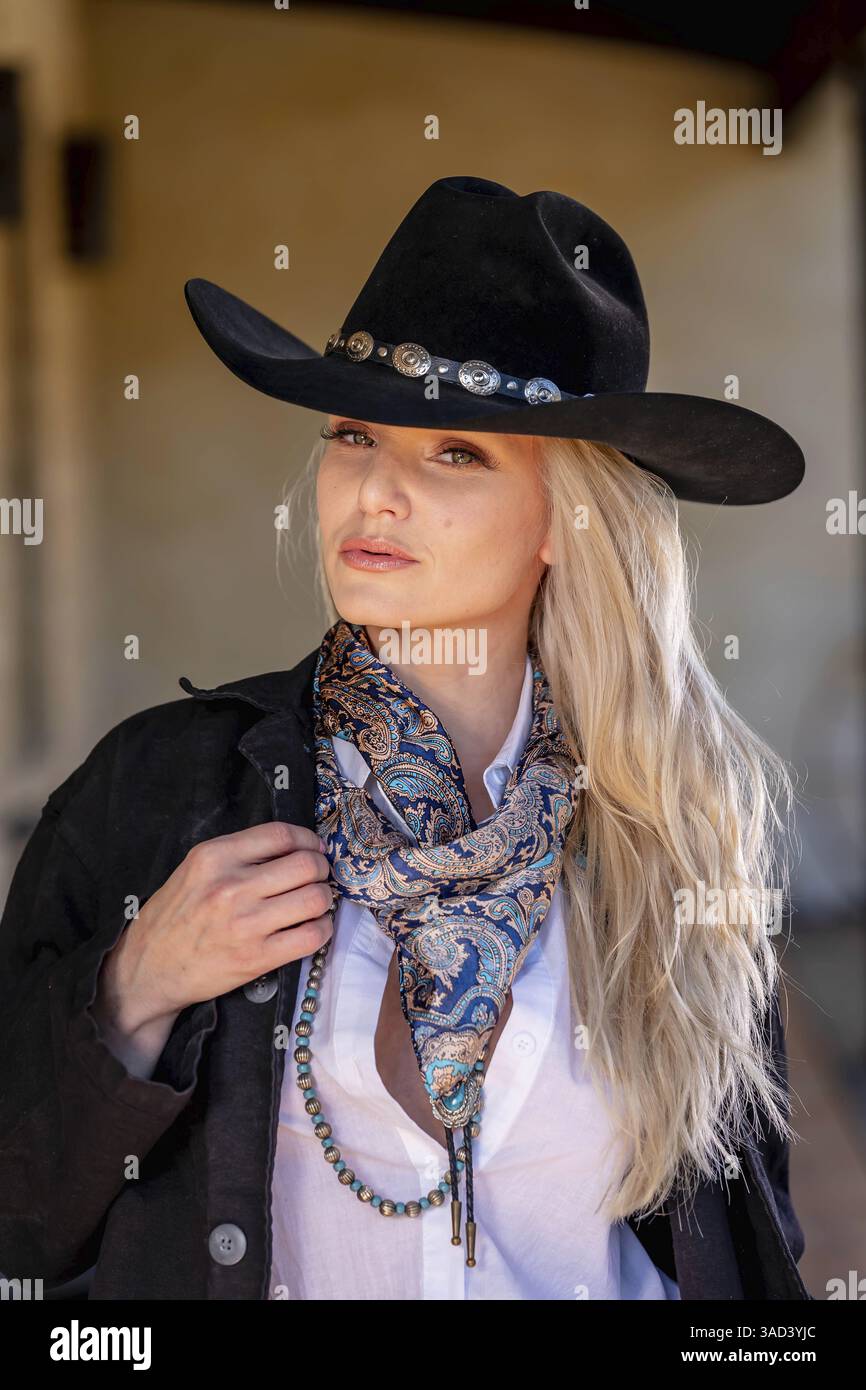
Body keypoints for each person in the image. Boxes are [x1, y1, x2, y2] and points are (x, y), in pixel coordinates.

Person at [0, 175, 810, 1300]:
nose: (373, 490)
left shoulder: (673, 829)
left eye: (454, 455)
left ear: (568, 524)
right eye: (353, 434)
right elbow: (20, 1224)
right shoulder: (155, 790)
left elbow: (751, 1243)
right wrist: (134, 989)